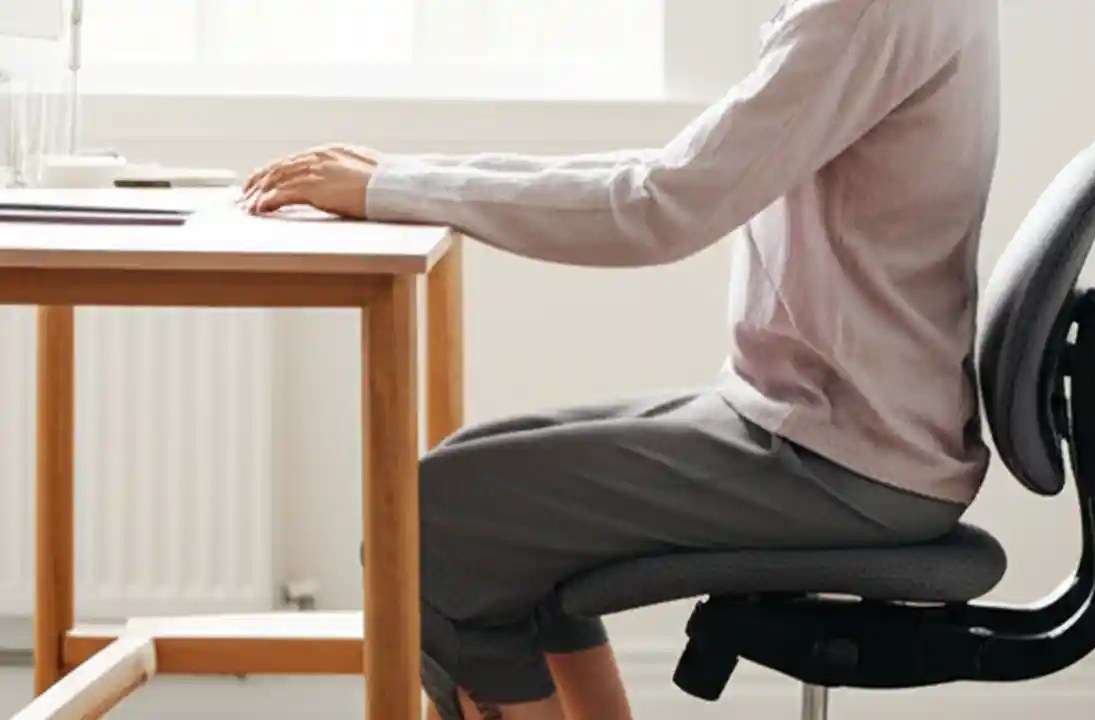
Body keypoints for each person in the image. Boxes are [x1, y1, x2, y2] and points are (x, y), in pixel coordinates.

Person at [240, 1, 1000, 718]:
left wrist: (398, 188)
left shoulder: (866, 10)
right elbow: (676, 173)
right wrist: (404, 180)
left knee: (428, 530)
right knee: (467, 493)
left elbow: (656, 208)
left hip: (839, 457)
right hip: (820, 423)